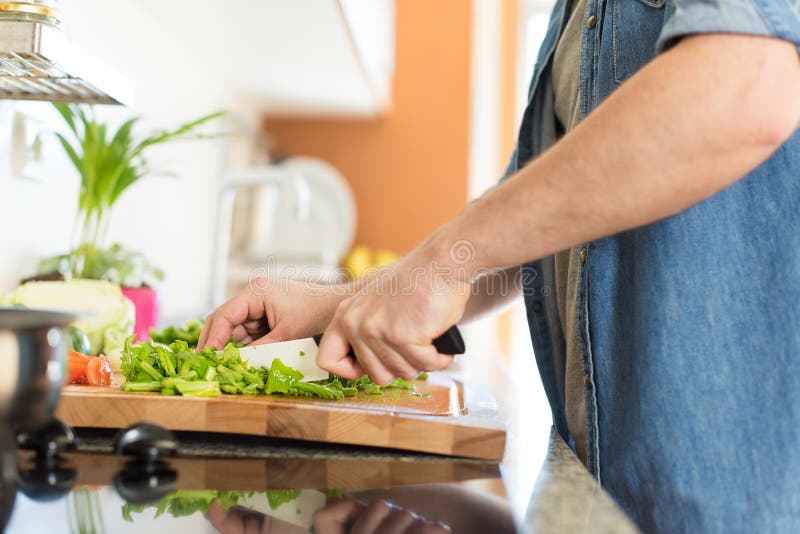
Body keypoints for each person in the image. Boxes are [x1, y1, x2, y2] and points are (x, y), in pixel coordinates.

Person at [198, 0, 800, 531]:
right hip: (605, 504)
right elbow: (534, 219)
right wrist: (340, 304)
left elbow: (748, 84)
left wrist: (442, 262)